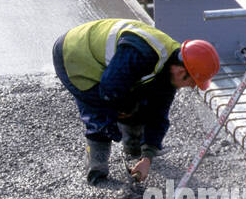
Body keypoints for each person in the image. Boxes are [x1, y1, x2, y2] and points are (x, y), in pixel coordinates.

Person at [52, 19, 220, 186]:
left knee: (142, 102)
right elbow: (109, 89)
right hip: (73, 53)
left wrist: (147, 157)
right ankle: (96, 166)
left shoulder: (171, 67)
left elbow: (158, 115)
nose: (190, 87)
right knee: (101, 111)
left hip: (106, 62)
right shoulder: (142, 53)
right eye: (192, 82)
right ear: (181, 71)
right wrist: (125, 112)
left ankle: (134, 150)